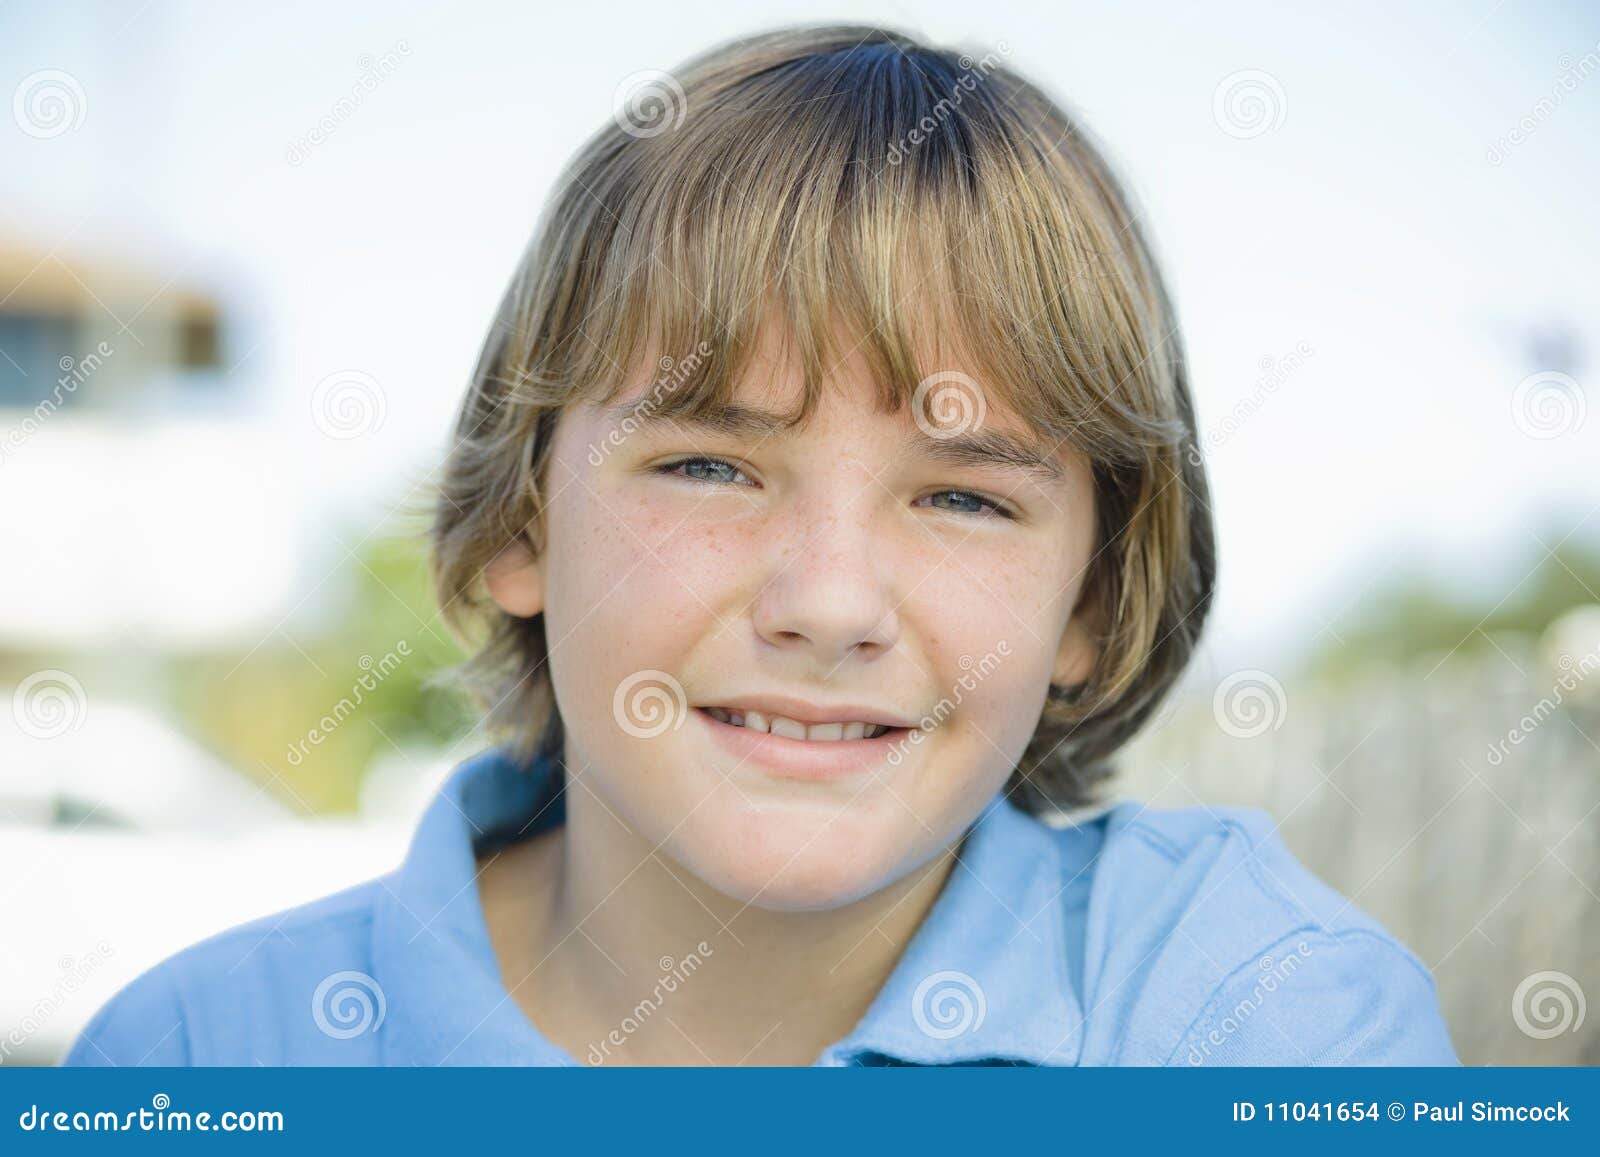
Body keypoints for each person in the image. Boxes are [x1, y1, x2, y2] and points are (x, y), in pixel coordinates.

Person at [64, 23, 1456, 1067]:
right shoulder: (201, 1060)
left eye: (963, 498)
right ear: (520, 521)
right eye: (711, 467)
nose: (830, 603)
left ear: (1092, 597)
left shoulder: (1260, 1021)